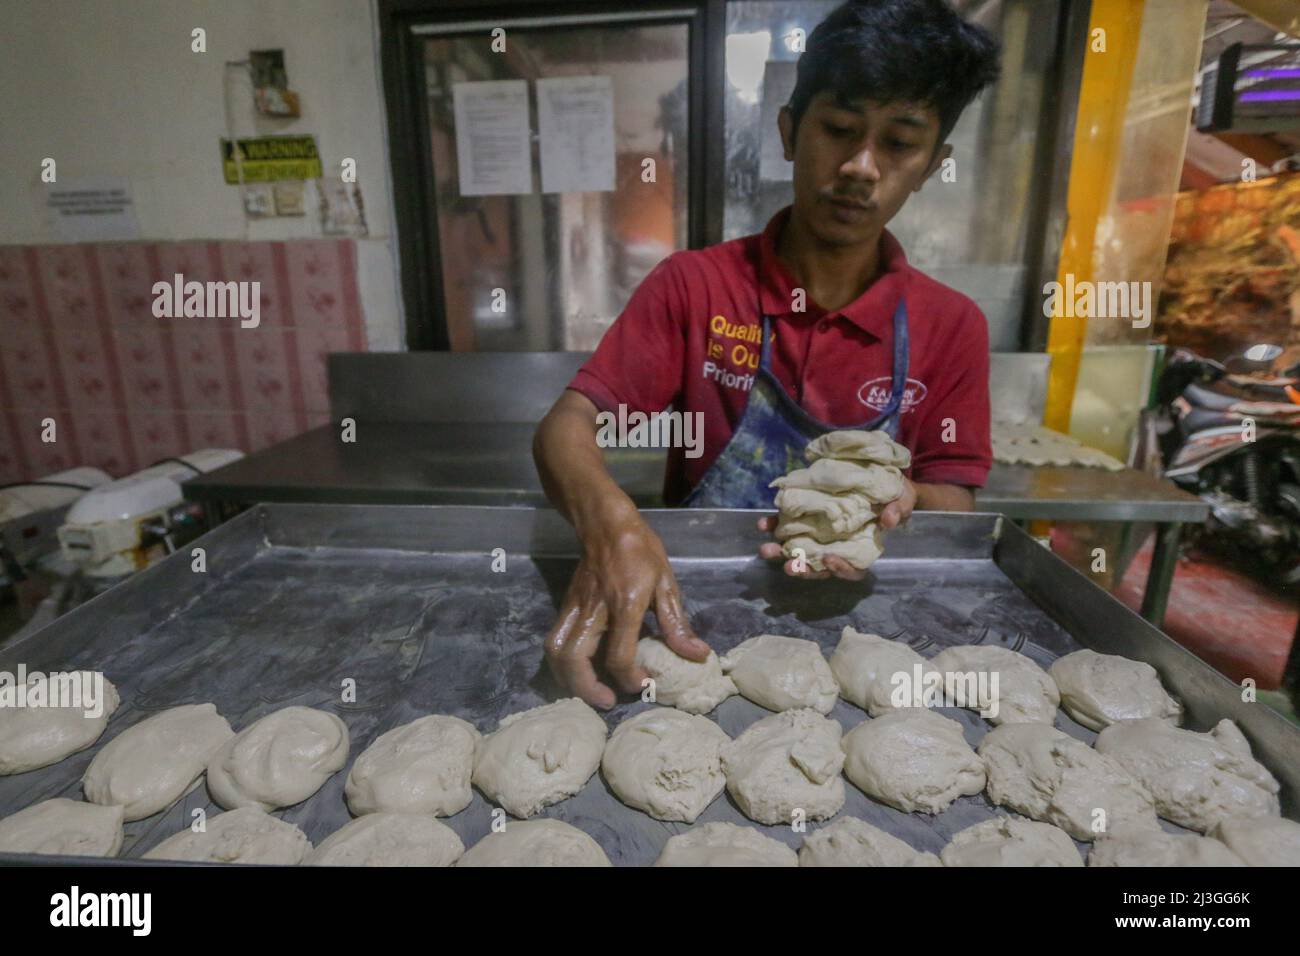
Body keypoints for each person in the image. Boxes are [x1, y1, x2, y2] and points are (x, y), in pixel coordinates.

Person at [533, 0, 1001, 709]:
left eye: (899, 144)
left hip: (868, 630)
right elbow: (566, 428)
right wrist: (612, 524)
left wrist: (900, 502)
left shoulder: (950, 324)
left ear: (934, 165)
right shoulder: (696, 288)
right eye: (838, 130)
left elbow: (955, 499)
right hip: (692, 610)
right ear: (788, 132)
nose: (860, 167)